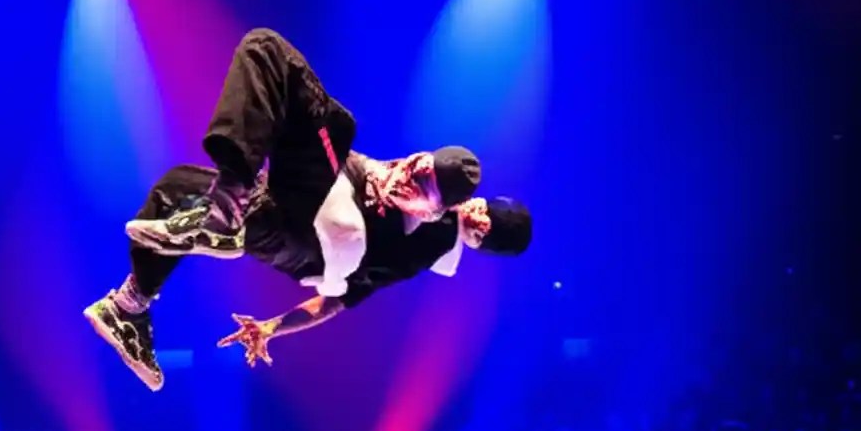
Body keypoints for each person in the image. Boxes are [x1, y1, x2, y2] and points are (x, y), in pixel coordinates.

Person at [84, 29, 532, 389]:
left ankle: (225, 211)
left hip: (308, 242)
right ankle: (130, 306)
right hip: (283, 210)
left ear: (436, 213)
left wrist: (273, 327)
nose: (405, 177)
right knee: (175, 188)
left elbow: (336, 301)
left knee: (334, 121)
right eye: (415, 166)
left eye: (421, 188)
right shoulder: (403, 180)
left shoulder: (425, 243)